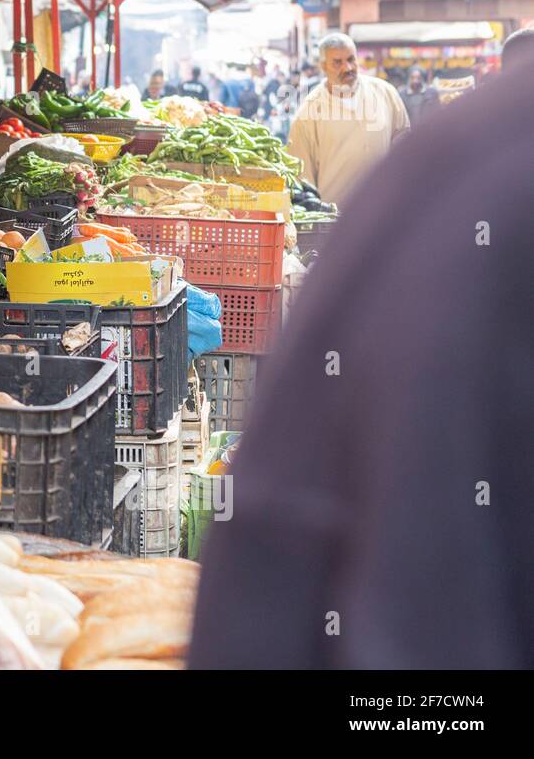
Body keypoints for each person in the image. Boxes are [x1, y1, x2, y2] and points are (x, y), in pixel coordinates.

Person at [190, 65, 534, 669]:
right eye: (335, 63)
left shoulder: (454, 157)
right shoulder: (470, 166)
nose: (342, 71)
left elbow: (273, 542)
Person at [285, 33, 410, 208]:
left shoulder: (385, 92)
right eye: (338, 62)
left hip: (385, 211)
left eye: (351, 59)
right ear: (323, 67)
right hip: (334, 222)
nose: (347, 67)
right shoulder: (308, 113)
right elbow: (300, 178)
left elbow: (404, 142)